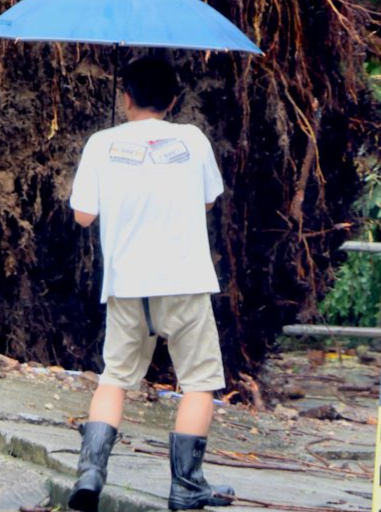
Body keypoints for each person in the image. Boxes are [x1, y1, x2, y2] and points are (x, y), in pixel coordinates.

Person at [67, 55, 235, 511]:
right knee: (198, 383)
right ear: (174, 100)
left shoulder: (101, 143)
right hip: (184, 280)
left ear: (125, 98)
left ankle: (91, 473)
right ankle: (187, 486)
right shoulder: (193, 139)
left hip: (127, 284)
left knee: (115, 379)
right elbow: (205, 202)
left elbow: (83, 216)